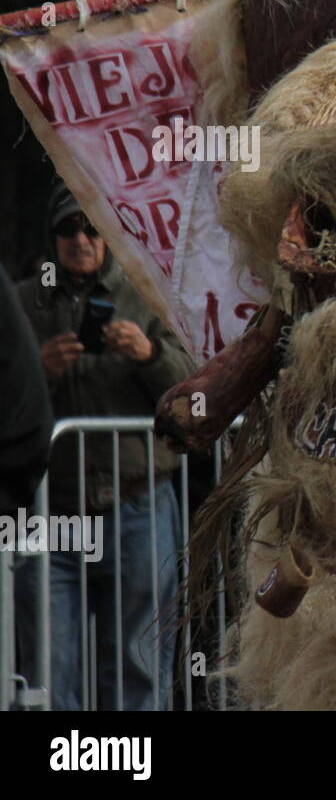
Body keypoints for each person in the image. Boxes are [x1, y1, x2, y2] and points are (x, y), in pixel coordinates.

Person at [13, 181, 193, 710]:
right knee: (48, 669)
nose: (80, 239)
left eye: (91, 227)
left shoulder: (149, 291)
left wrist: (149, 353)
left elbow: (199, 397)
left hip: (136, 504)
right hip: (50, 513)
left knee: (139, 662)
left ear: (109, 231)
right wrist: (37, 372)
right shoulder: (22, 302)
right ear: (52, 237)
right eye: (67, 229)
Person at [0, 264, 52, 512]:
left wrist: (151, 355)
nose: (80, 244)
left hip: (136, 492)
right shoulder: (29, 293)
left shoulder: (142, 290)